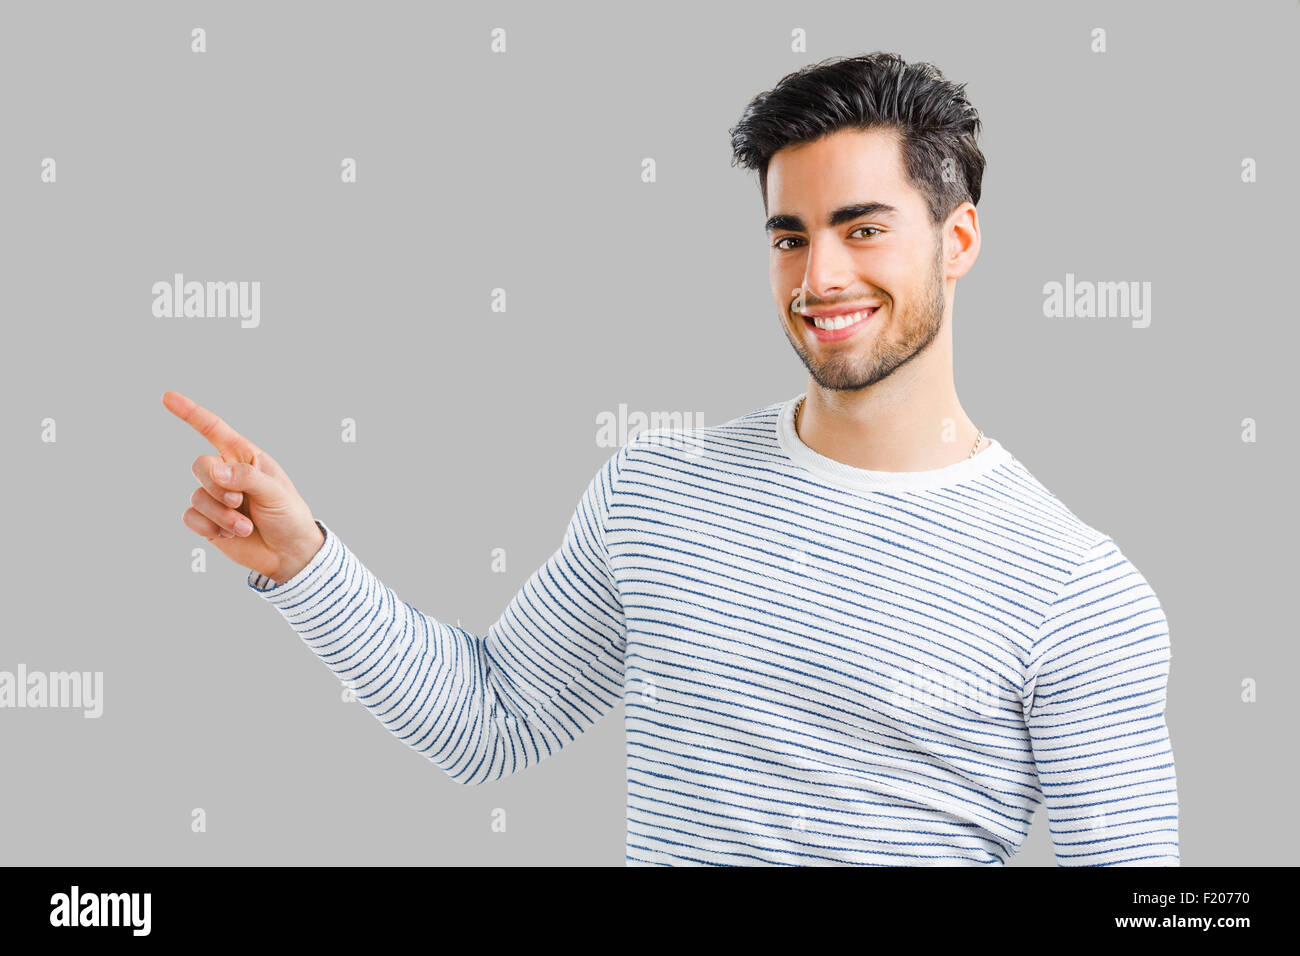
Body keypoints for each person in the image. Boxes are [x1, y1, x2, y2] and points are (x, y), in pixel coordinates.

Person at [164, 52, 1179, 866]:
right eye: (790, 236)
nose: (820, 275)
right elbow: (489, 721)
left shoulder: (1077, 591)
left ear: (956, 239)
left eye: (862, 228)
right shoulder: (654, 492)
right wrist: (304, 563)